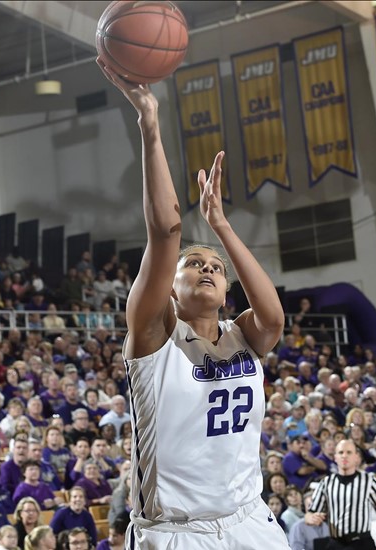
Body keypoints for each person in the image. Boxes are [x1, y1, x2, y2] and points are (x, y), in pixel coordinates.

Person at [98, 59, 288, 549]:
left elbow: (274, 317)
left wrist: (221, 226)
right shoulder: (152, 336)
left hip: (249, 521)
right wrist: (150, 125)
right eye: (194, 264)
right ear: (170, 286)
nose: (207, 269)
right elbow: (166, 231)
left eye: (216, 268)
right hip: (178, 532)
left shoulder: (245, 336)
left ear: (227, 293)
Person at [304, 440, 376, 549]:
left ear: (356, 457)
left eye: (349, 452)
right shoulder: (326, 483)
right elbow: (310, 513)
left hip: (361, 542)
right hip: (336, 543)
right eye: (341, 452)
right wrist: (311, 518)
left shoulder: (368, 481)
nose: (344, 456)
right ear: (335, 457)